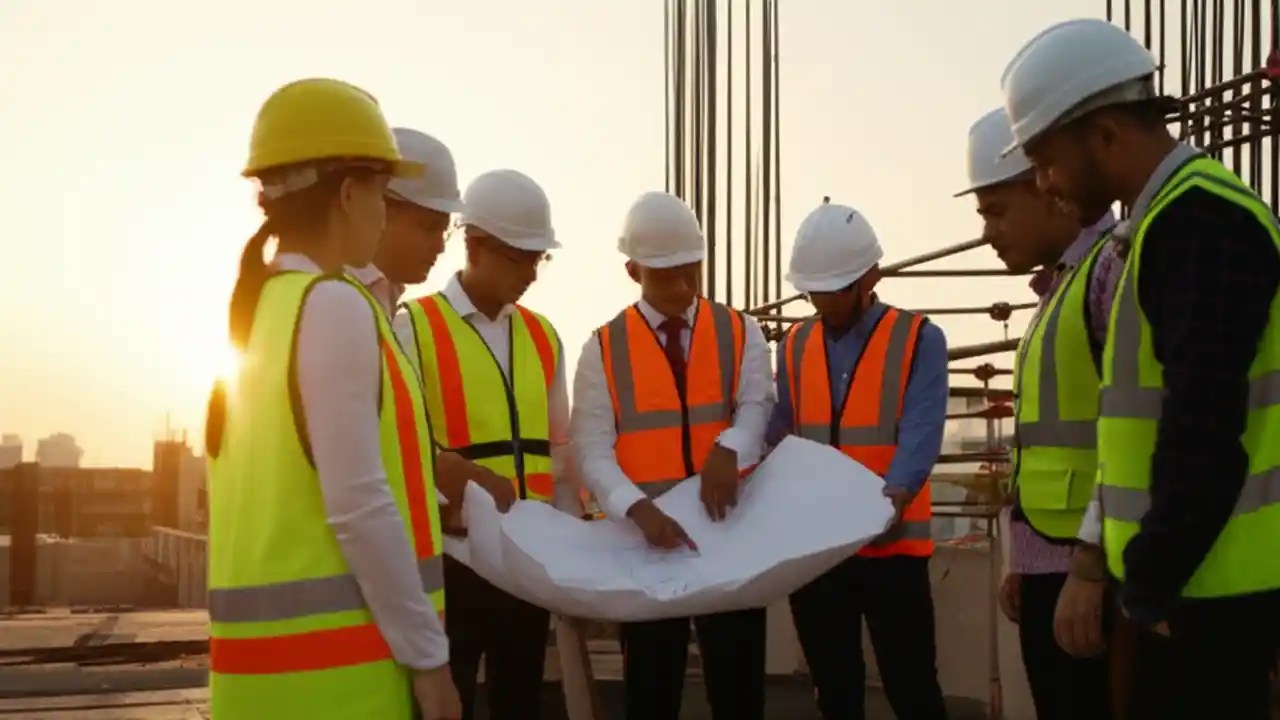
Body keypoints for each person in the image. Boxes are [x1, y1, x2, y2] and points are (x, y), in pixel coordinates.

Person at [1002, 18, 1280, 719]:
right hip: (1188, 590)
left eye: (1047, 160)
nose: (1045, 183)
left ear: (1105, 134)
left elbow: (1206, 430)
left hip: (1209, 599)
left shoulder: (1201, 221)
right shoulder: (1163, 223)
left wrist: (1151, 588)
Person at [204, 79, 460, 719]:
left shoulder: (260, 313)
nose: (384, 210)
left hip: (255, 687)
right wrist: (430, 662)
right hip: (339, 683)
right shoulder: (335, 305)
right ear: (350, 194)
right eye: (382, 191)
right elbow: (359, 505)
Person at [571, 191, 775, 720]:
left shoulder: (740, 331)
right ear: (632, 269)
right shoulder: (602, 348)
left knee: (739, 693)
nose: (683, 288)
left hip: (728, 535)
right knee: (651, 693)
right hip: (648, 543)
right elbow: (591, 447)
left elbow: (757, 405)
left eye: (693, 272)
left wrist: (730, 447)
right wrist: (637, 509)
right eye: (667, 277)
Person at [394, 168, 577, 720]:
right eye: (520, 256)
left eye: (538, 258)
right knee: (448, 704)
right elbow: (402, 454)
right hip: (450, 565)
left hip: (524, 560)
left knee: (518, 701)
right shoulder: (414, 327)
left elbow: (561, 456)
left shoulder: (543, 337)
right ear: (475, 246)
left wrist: (567, 556)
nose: (531, 273)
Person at [957, 106, 1120, 719]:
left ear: (1049, 188)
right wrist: (1024, 561)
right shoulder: (1062, 288)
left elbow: (1135, 434)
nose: (986, 233)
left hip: (1090, 572)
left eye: (995, 211)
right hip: (1057, 565)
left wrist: (1088, 567)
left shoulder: (1108, 271)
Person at [769, 199, 950, 720]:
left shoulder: (918, 339)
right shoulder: (796, 344)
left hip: (893, 551)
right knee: (835, 691)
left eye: (835, 291)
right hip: (821, 553)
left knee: (912, 686)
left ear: (869, 276)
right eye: (814, 292)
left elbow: (921, 430)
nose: (823, 303)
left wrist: (892, 498)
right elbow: (782, 429)